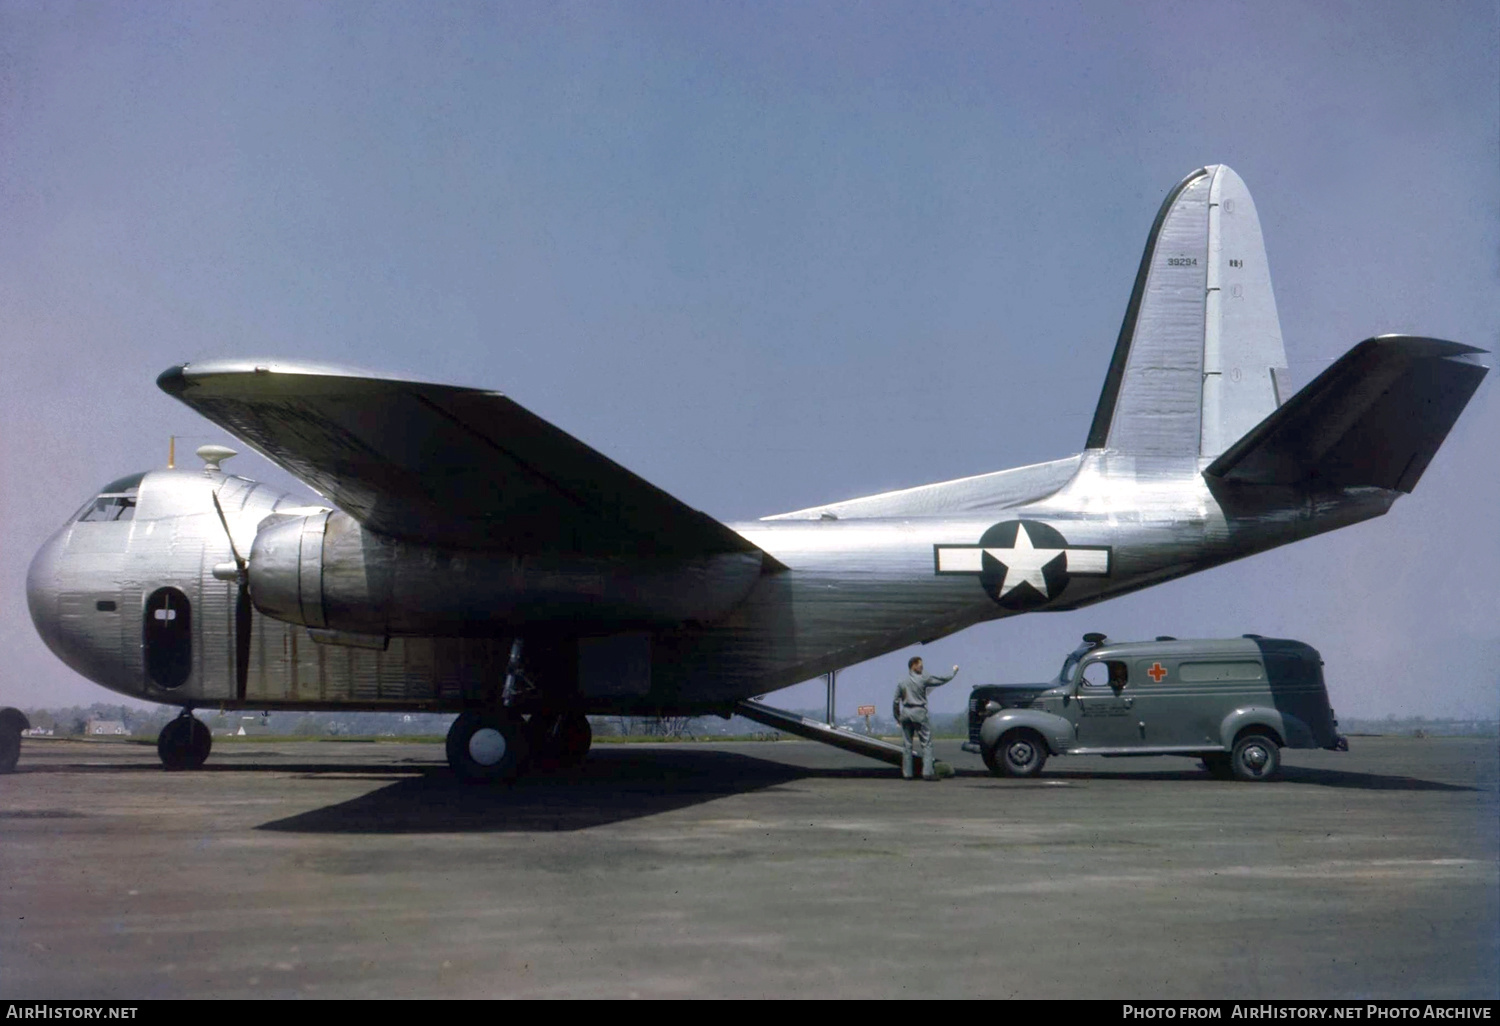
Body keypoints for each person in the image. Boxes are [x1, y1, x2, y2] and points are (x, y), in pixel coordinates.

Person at [893, 656, 959, 780]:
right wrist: (953, 672)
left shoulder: (902, 682)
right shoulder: (923, 679)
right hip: (919, 711)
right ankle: (927, 772)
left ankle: (907, 774)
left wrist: (897, 717)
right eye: (920, 665)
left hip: (906, 712)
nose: (922, 668)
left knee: (907, 745)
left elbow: (896, 701)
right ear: (913, 666)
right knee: (926, 743)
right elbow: (940, 680)